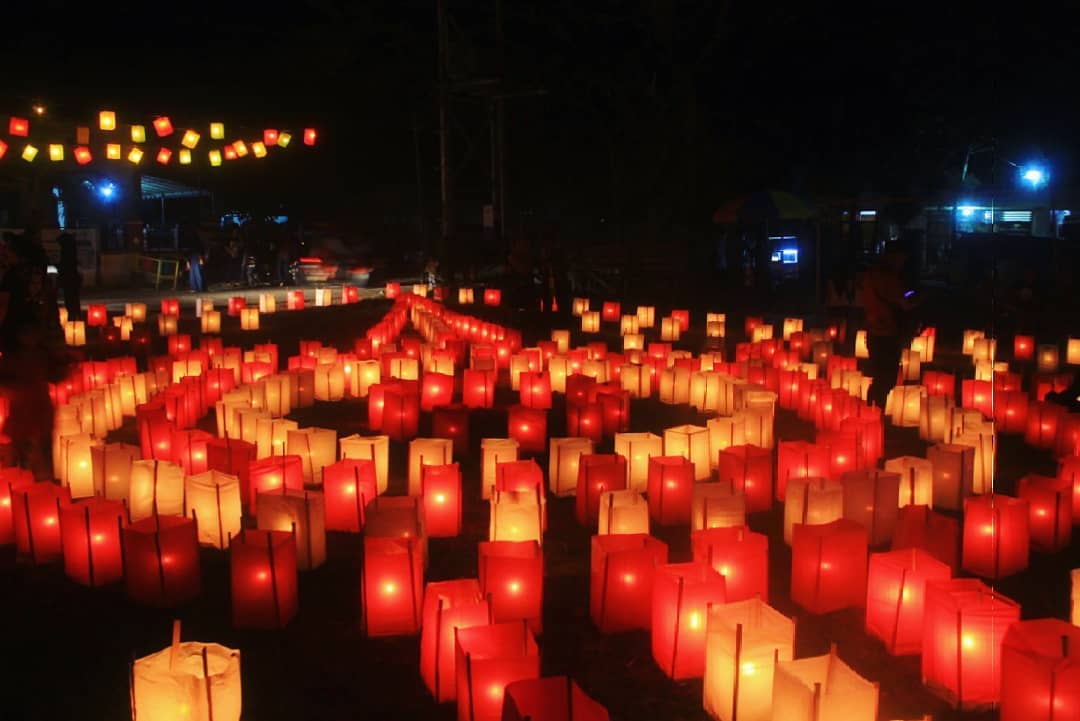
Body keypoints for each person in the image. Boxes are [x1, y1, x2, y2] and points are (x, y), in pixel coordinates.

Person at [0, 233, 66, 480]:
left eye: (8, 249)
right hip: (39, 347)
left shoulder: (12, 277)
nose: (5, 252)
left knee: (24, 403)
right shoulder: (42, 277)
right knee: (37, 403)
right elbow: (51, 310)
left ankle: (24, 469)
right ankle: (43, 469)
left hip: (18, 346)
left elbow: (3, 309)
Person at [861, 241, 918, 409]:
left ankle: (871, 410)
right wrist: (920, 299)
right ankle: (877, 411)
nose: (902, 263)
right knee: (886, 377)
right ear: (894, 257)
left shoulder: (870, 275)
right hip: (887, 334)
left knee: (879, 376)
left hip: (873, 332)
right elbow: (904, 303)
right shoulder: (887, 277)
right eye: (901, 259)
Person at [57, 233, 81, 320]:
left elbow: (65, 265)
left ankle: (73, 317)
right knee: (74, 299)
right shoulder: (71, 250)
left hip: (69, 279)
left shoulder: (67, 251)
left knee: (70, 299)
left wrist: (57, 267)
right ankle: (76, 316)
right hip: (72, 278)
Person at [181, 222, 206, 292]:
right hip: (193, 256)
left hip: (195, 256)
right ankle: (195, 288)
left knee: (196, 272)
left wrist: (200, 258)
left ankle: (198, 288)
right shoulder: (191, 237)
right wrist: (187, 261)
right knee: (193, 272)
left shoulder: (194, 237)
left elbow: (198, 248)